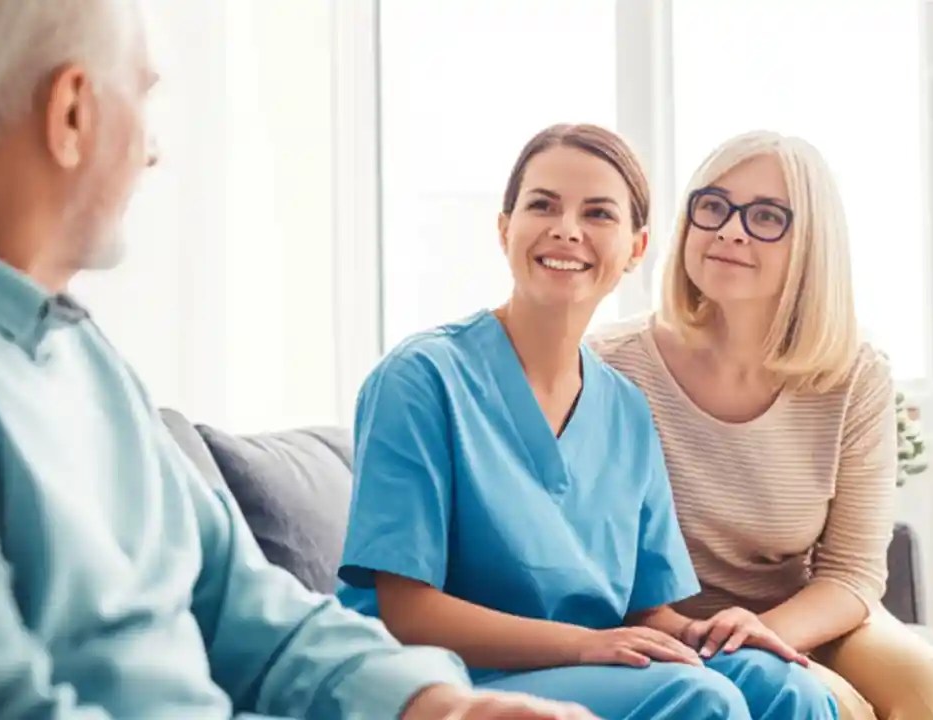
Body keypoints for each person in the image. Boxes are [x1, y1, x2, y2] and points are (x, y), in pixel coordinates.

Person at [0, 2, 594, 718]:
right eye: (142, 97)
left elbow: (250, 609)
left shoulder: (77, 351)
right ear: (72, 111)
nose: (152, 150)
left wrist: (434, 706)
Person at [335, 123, 839, 720]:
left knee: (786, 687)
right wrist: (587, 645)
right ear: (505, 229)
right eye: (542, 205)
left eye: (598, 214)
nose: (566, 229)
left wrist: (720, 634)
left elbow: (647, 613)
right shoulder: (421, 378)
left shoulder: (625, 409)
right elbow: (408, 612)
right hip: (451, 673)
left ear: (636, 248)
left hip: (594, 665)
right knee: (697, 697)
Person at [591, 130, 933, 720]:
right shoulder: (612, 364)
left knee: (926, 684)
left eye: (767, 216)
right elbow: (598, 558)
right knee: (836, 706)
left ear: (811, 246)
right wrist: (730, 642)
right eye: (713, 206)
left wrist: (764, 630)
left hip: (802, 614)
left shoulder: (855, 377)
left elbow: (851, 573)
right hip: (661, 622)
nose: (731, 230)